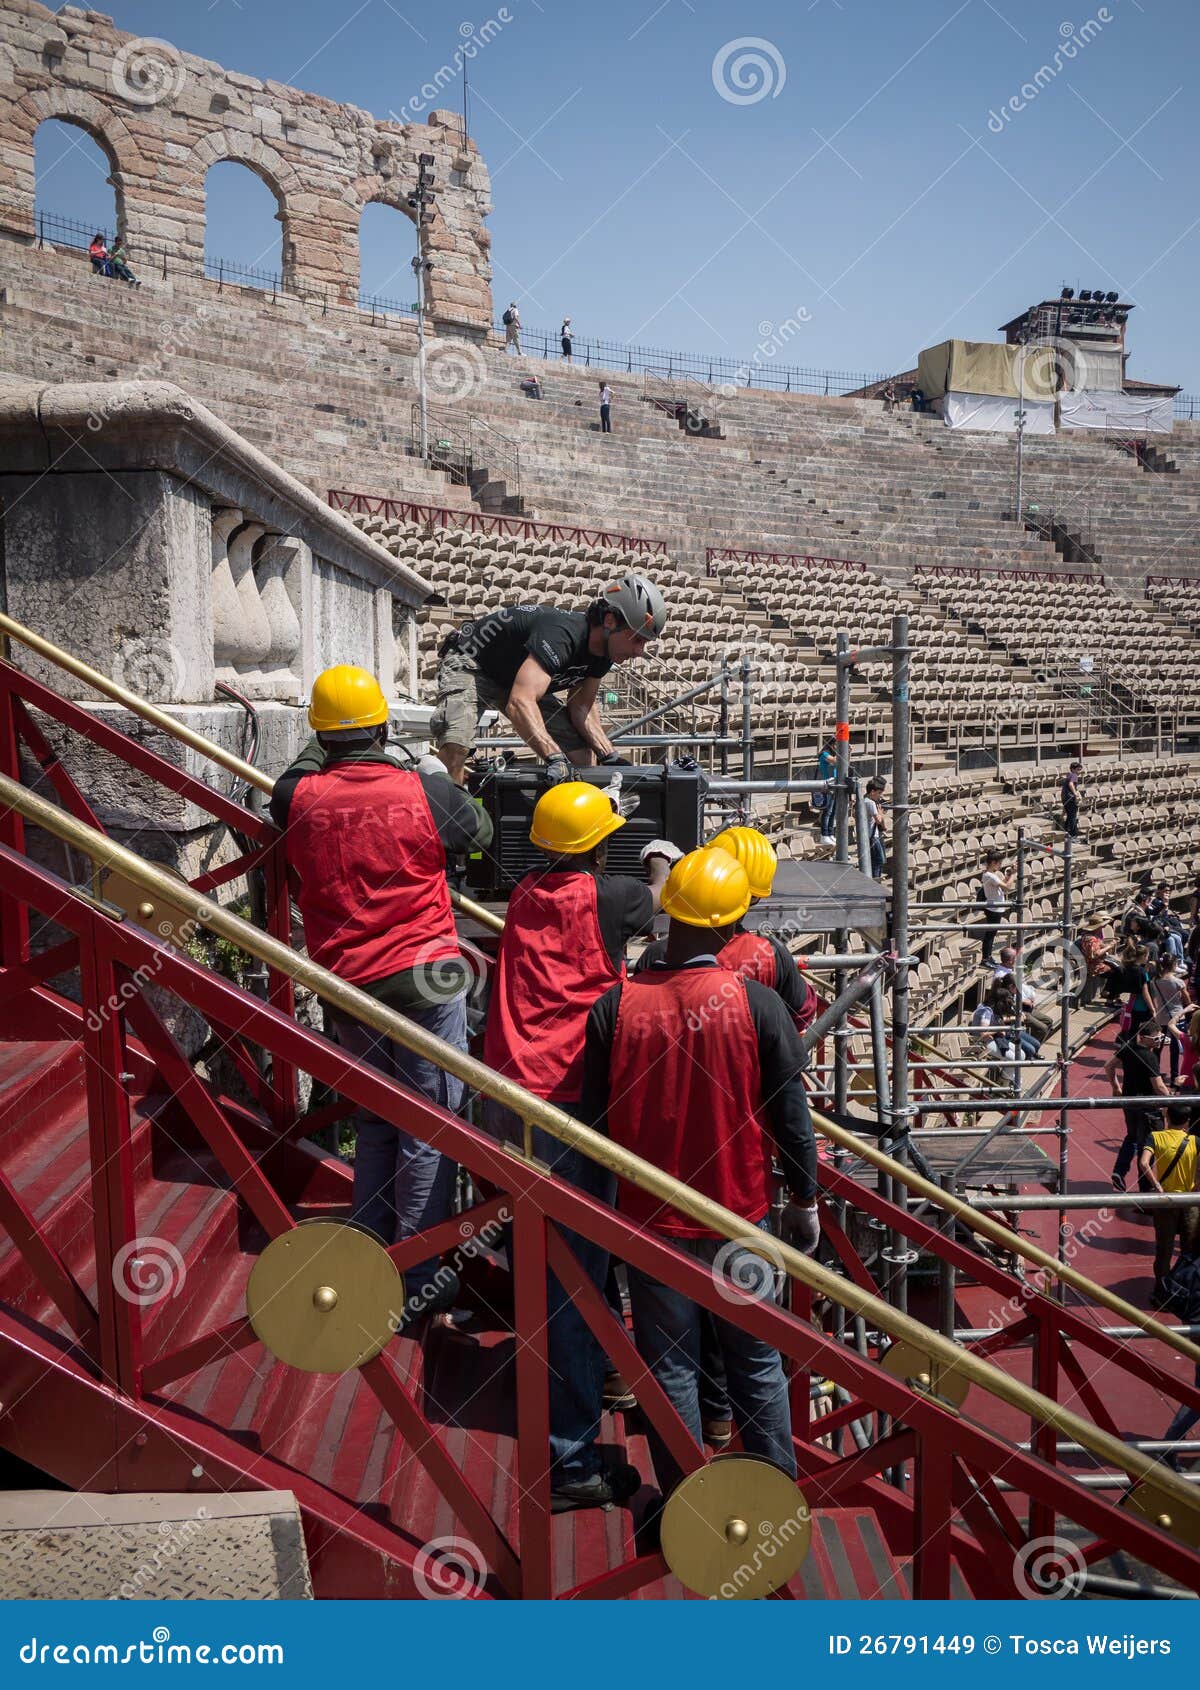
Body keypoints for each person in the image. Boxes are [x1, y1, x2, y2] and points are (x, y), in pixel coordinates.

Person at [581, 846, 819, 1506]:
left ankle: (690, 1508)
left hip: (650, 1223)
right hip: (739, 1216)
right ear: (728, 924)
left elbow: (593, 1125)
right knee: (756, 1364)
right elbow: (793, 1120)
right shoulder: (755, 1004)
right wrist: (805, 1197)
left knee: (670, 1368)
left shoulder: (615, 1006)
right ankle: (776, 1502)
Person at [270, 665, 491, 1307]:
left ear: (321, 736)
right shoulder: (423, 791)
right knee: (429, 1125)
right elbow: (479, 831)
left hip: (346, 984)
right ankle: (417, 1278)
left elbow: (288, 782)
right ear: (382, 726)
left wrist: (323, 743)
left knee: (376, 1121)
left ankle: (369, 1255)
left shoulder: (299, 797)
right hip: (425, 977)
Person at [482, 783, 674, 1510]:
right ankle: (567, 1456)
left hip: (510, 1093)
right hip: (567, 1103)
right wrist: (658, 858)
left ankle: (585, 1382)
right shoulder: (612, 897)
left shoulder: (528, 889)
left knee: (542, 1260)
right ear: (599, 844)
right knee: (575, 1276)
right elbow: (658, 894)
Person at [430, 575, 667, 787]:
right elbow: (520, 702)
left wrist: (610, 757)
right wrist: (553, 756)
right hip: (473, 664)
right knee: (456, 746)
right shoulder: (562, 635)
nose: (639, 651)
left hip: (514, 678)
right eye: (636, 639)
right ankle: (446, 821)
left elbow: (581, 707)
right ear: (610, 621)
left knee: (582, 755)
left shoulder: (604, 654)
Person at [1137, 1102, 1199, 1306]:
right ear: (1187, 1122)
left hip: (1165, 1202)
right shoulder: (1195, 1141)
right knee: (1190, 1250)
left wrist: (1156, 1185)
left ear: (1167, 1118)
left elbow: (1144, 1162)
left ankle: (1162, 1293)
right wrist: (1194, 1187)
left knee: (1164, 1249)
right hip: (1189, 1202)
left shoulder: (1155, 1137)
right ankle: (1187, 1290)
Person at [1106, 1021, 1171, 1193]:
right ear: (1144, 1038)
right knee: (1146, 1146)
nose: (1158, 1041)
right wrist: (1171, 1102)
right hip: (1148, 1108)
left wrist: (1116, 1087)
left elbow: (1109, 1066)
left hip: (1129, 1103)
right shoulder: (1150, 1057)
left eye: (1160, 1038)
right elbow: (1158, 1086)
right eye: (1155, 1038)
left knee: (1132, 1136)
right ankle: (1146, 1188)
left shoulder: (1128, 1049)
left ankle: (1119, 1171)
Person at [970, 977, 1040, 1063]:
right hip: (984, 1041)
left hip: (997, 1035)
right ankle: (1006, 1076)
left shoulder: (994, 1006)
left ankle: (1011, 1075)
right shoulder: (986, 1011)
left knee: (1021, 1055)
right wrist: (999, 1030)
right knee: (1018, 1058)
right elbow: (983, 1034)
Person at [978, 850, 1011, 965]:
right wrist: (1015, 874)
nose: (1000, 865)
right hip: (993, 909)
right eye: (999, 863)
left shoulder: (991, 875)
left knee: (991, 935)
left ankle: (988, 957)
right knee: (990, 935)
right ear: (993, 862)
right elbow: (1007, 887)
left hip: (996, 908)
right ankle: (985, 959)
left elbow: (1001, 887)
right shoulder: (989, 875)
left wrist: (1009, 875)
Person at [1078, 913, 1117, 1008]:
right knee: (1117, 972)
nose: (1102, 928)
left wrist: (1105, 946)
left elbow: (1098, 947)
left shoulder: (1088, 936)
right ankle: (1109, 996)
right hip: (1093, 966)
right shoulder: (1091, 939)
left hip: (1096, 962)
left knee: (1118, 967)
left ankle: (1108, 993)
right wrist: (1109, 946)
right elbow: (1095, 955)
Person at [864, 776, 887, 880]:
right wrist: (881, 813)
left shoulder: (864, 800)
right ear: (872, 792)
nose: (880, 796)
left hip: (871, 835)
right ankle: (876, 881)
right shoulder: (871, 802)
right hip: (872, 836)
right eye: (879, 793)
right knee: (879, 860)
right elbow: (878, 819)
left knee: (876, 860)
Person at [816, 735, 837, 846]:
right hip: (826, 785)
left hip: (834, 784)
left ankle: (830, 833)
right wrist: (844, 752)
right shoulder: (824, 754)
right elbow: (836, 761)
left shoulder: (834, 754)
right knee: (827, 811)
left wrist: (849, 753)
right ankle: (824, 835)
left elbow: (845, 763)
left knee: (833, 811)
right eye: (835, 745)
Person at [1061, 761, 1083, 840]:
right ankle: (1072, 836)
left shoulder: (1069, 775)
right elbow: (1071, 784)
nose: (1079, 771)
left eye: (1080, 769)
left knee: (1070, 817)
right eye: (1078, 769)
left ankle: (1066, 833)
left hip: (1065, 798)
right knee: (1072, 817)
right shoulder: (1074, 775)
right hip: (1070, 799)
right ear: (1073, 769)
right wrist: (1075, 794)